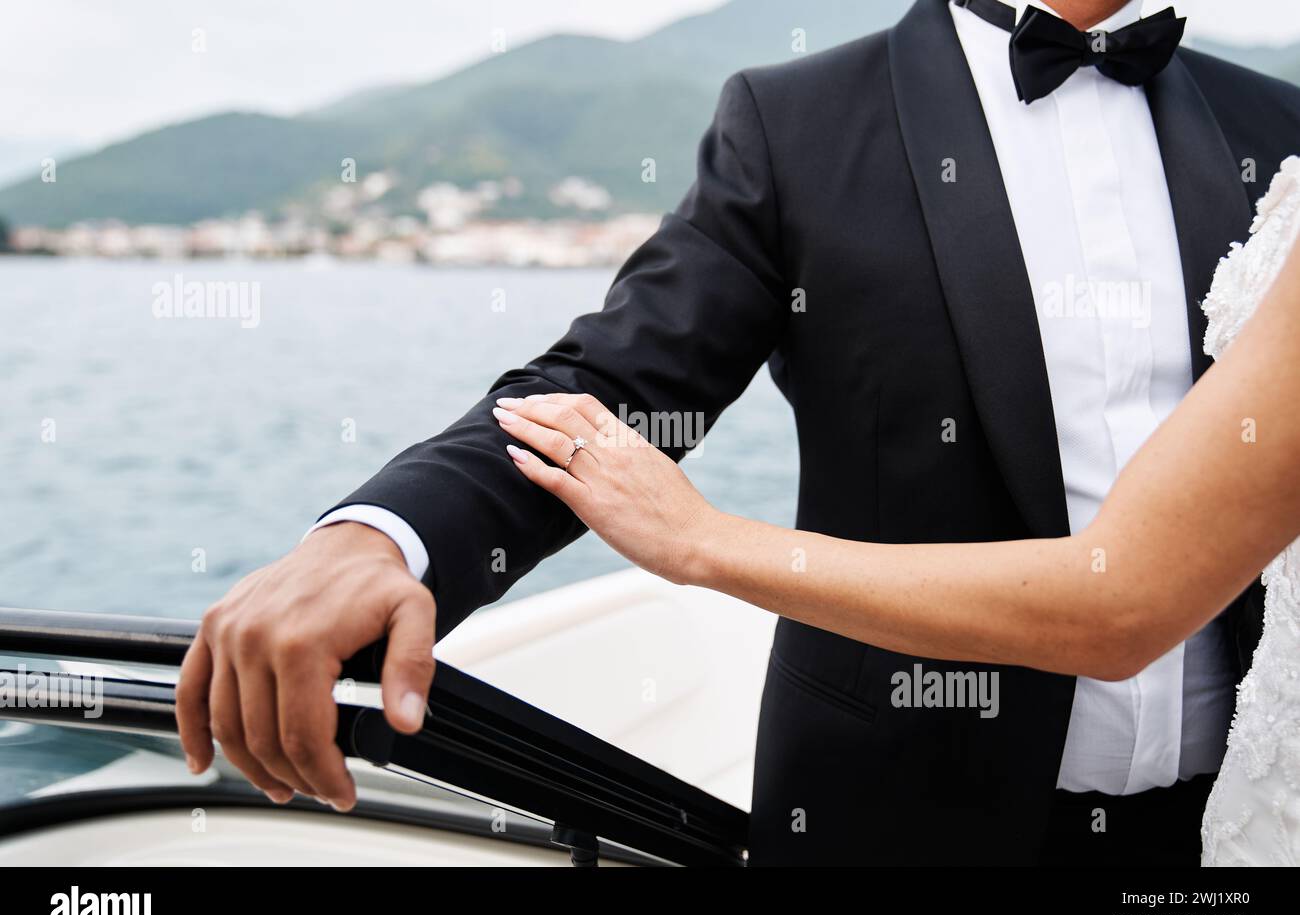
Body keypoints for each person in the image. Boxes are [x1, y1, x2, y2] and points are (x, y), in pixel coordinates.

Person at [177, 0, 1300, 865]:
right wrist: (379, 538)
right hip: (900, 821)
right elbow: (611, 381)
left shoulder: (1277, 126)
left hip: (1228, 830)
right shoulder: (796, 120)